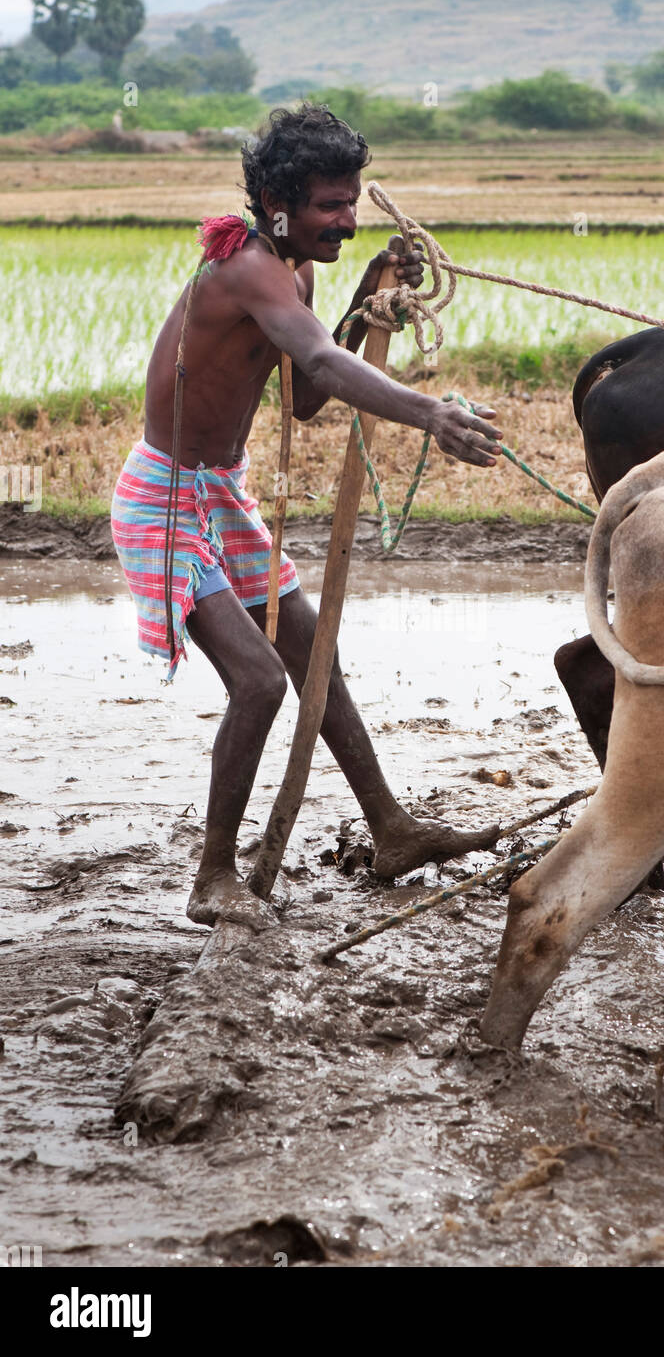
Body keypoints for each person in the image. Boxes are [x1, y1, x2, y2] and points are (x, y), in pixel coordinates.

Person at [111, 104, 504, 931]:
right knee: (259, 681)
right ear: (279, 207)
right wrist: (427, 412)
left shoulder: (297, 274)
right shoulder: (249, 267)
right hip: (167, 500)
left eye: (353, 202)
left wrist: (364, 308)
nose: (349, 221)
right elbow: (319, 360)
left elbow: (304, 396)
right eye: (332, 205)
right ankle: (213, 876)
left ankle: (391, 830)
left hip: (221, 491)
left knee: (311, 651)